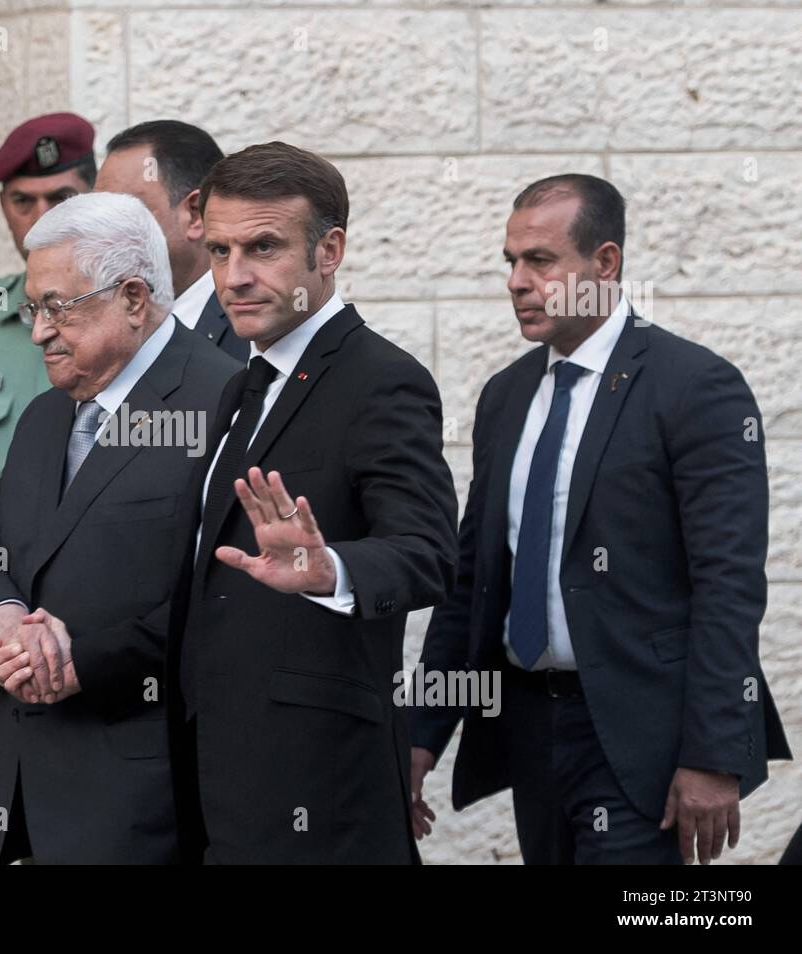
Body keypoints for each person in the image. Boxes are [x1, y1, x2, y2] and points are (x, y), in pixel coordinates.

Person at [411, 174, 792, 864]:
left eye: (540, 260)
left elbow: (728, 585)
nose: (517, 282)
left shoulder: (694, 387)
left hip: (640, 739)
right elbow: (473, 581)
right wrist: (421, 735)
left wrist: (713, 753)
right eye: (510, 262)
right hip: (528, 727)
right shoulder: (506, 396)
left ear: (605, 263)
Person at [166, 142, 460, 864]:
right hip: (213, 783)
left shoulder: (382, 379)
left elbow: (427, 554)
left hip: (320, 792)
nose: (234, 277)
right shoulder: (240, 387)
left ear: (328, 251)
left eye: (263, 247)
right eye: (220, 250)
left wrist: (330, 567)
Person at [0, 192, 238, 864]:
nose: (39, 331)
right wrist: (1, 618)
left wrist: (80, 659)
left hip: (147, 805)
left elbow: (224, 601)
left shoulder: (225, 401)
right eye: (33, 308)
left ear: (134, 298)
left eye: (57, 307)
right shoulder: (48, 415)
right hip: (24, 794)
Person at [0, 112, 96, 528]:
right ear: (3, 208)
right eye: (23, 201)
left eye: (60, 198)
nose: (42, 217)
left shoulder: (133, 313)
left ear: (94, 197)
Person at [96, 119, 246, 362]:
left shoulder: (252, 326)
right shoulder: (103, 324)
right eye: (99, 213)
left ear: (196, 214)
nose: (103, 232)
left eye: (125, 212)